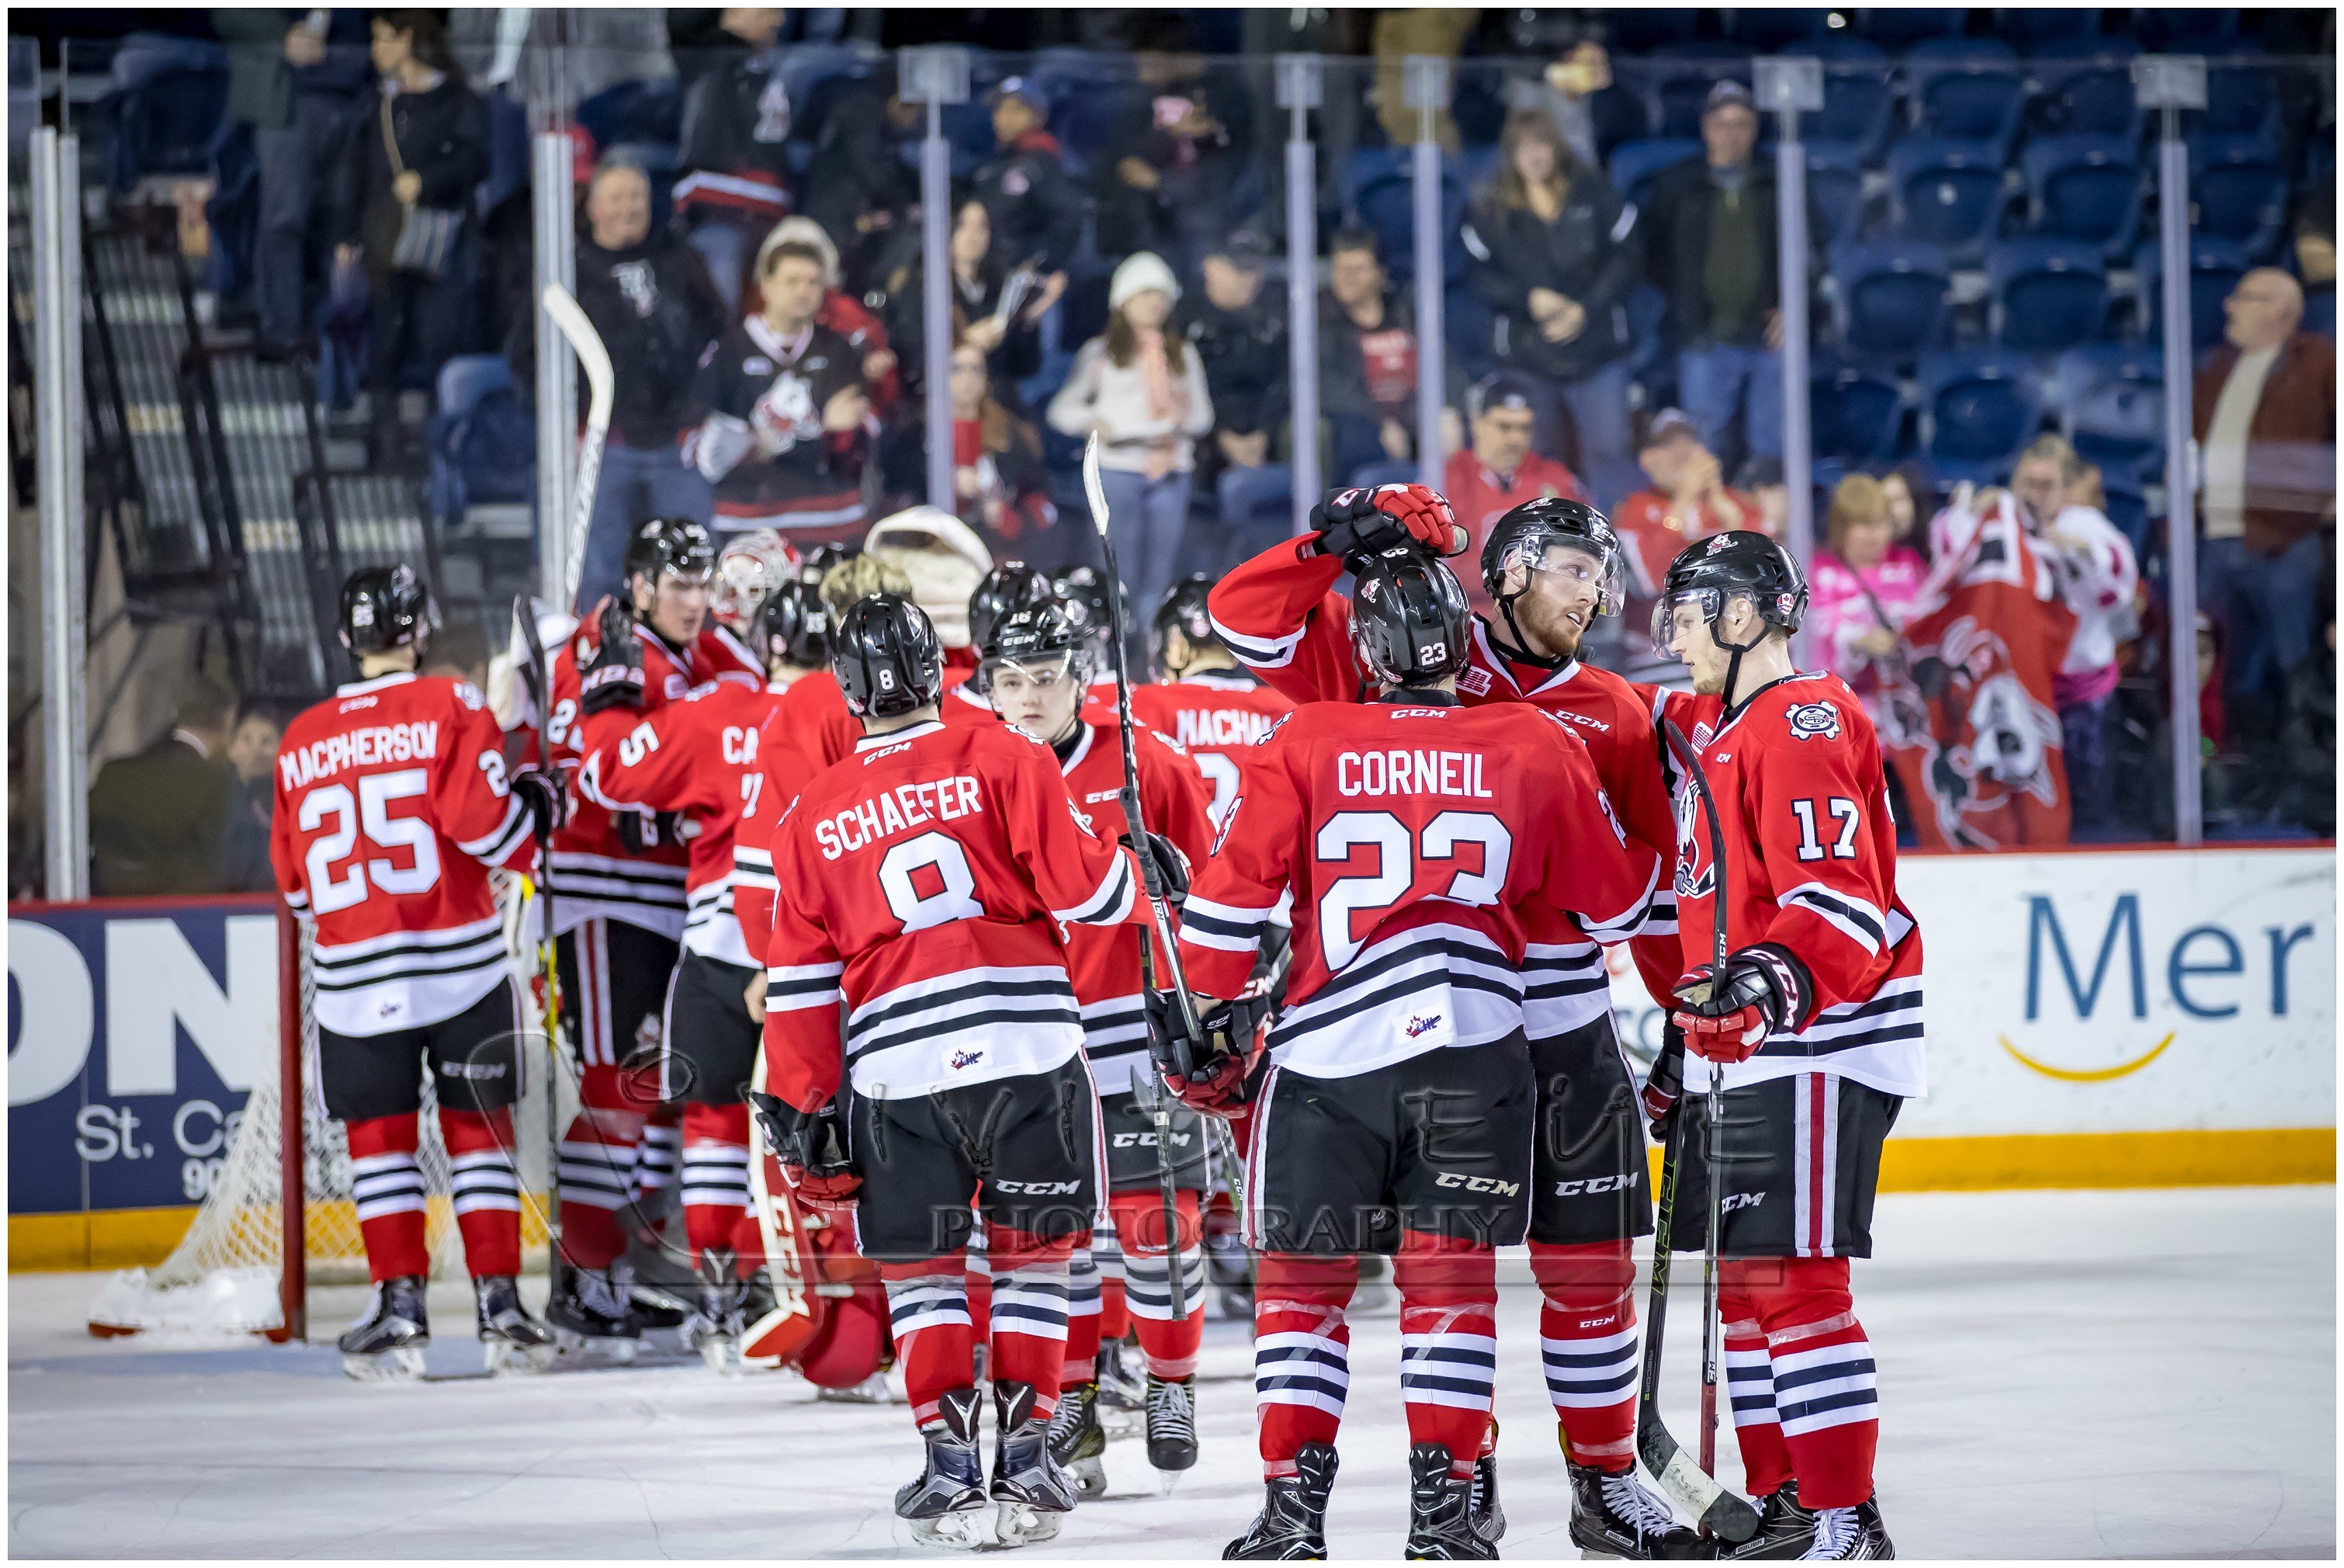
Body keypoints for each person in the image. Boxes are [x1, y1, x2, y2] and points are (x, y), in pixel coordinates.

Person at [1205, 487, 1701, 1558]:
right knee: (1450, 1266)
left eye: (1604, 571)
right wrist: (1338, 538)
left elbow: (1651, 906)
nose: (1599, 589)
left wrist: (1684, 1016)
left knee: (1586, 1265)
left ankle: (1603, 1483)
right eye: (1575, 566)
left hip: (1560, 1022)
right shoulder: (1403, 633)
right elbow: (1245, 617)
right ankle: (1459, 1485)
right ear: (1511, 569)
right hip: (1443, 1028)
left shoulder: (1612, 709)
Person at [752, 594, 1175, 1550]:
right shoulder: (1006, 755)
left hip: (897, 1070)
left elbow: (800, 989)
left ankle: (947, 1463)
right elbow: (1090, 892)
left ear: (850, 687)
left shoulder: (809, 814)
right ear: (938, 672)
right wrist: (1139, 867)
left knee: (927, 1277)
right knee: (1032, 1263)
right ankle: (1025, 1454)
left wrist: (802, 1109)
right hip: (1028, 1049)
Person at [1645, 532, 1922, 1560]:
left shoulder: (1800, 717)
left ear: (1748, 611)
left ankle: (1848, 1516)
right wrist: (1694, 1048)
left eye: (1690, 606)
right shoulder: (1722, 731)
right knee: (1752, 1286)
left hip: (1818, 1034)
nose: (1671, 628)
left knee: (1798, 1285)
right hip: (1752, 1043)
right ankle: (1790, 1502)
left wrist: (1769, 984)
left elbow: (1842, 901)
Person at [269, 566, 558, 1379]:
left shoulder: (300, 738)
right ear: (420, 629)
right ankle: (500, 1307)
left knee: (380, 1147)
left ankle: (399, 1312)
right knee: (478, 1138)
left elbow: (296, 889)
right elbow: (486, 829)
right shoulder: (451, 704)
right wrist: (534, 810)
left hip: (355, 980)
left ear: (343, 639)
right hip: (461, 966)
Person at [972, 603, 1215, 1493]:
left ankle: (1171, 1381)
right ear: (985, 687)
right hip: (1034, 1033)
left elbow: (1223, 880)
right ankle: (1069, 1400)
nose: (1029, 696)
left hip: (1136, 1025)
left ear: (1080, 676)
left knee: (1159, 1227)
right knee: (1054, 1239)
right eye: (1011, 680)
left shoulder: (1142, 763)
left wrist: (1177, 890)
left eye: (1046, 676)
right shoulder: (977, 771)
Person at [571, 585, 834, 1368]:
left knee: (715, 1128)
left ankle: (719, 1293)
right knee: (819, 1125)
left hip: (719, 943)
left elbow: (607, 776)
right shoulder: (855, 719)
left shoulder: (720, 711)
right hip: (818, 953)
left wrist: (613, 693)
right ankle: (819, 1289)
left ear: (767, 644)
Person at [538, 519, 762, 1351]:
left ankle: (628, 1269)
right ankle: (587, 1278)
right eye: (678, 583)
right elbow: (581, 763)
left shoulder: (700, 653)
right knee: (616, 1081)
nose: (695, 600)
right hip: (608, 895)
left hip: (679, 896)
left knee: (670, 1087)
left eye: (701, 583)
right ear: (638, 584)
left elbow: (756, 698)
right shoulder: (600, 651)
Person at [565, 160, 727, 612]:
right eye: (616, 198)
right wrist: (572, 421)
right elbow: (533, 356)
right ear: (593, 207)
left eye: (636, 197)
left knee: (691, 566)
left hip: (676, 444)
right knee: (599, 570)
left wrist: (700, 409)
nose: (628, 208)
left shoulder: (678, 257)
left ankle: (688, 663)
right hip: (605, 446)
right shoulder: (570, 267)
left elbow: (719, 336)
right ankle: (599, 662)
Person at [1462, 110, 1642, 507]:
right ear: (1511, 154)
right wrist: (1530, 299)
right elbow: (1479, 276)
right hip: (1528, 355)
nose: (1535, 156)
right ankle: (1543, 550)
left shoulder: (1594, 193)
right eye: (1524, 148)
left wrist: (1584, 309)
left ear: (1557, 149)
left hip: (1596, 351)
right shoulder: (1491, 209)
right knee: (1538, 461)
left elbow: (1628, 259)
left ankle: (1617, 552)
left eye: (1542, 145)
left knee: (1609, 453)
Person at [333, 11, 488, 468]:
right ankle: (385, 446)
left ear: (409, 39)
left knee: (440, 343)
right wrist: (345, 235)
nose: (377, 50)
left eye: (385, 39)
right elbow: (354, 174)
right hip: (385, 240)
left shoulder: (456, 100)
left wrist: (427, 180)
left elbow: (476, 160)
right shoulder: (377, 104)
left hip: (443, 241)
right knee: (386, 344)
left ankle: (442, 454)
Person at [2191, 266, 2338, 727]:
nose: (2228, 306)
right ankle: (2211, 749)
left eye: (2243, 297)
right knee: (2204, 654)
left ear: (2279, 310)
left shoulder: (2318, 363)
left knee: (2292, 650)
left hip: (2284, 537)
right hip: (2212, 533)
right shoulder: (2214, 368)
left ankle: (2304, 747)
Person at [1644, 82, 1814, 471]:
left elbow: (1810, 250)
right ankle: (1710, 527)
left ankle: (1767, 524)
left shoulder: (1780, 182)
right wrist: (1683, 305)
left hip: (1768, 335)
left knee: (1771, 448)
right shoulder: (1678, 185)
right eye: (1723, 124)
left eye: (1741, 125)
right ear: (1707, 127)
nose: (1731, 134)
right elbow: (1652, 254)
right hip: (1703, 336)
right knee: (1705, 450)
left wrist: (1792, 304)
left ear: (1754, 130)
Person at [1046, 252, 1214, 626]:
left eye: (1160, 296)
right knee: (1117, 564)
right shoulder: (1102, 354)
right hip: (1118, 468)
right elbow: (1062, 410)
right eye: (1145, 294)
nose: (1154, 304)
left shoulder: (1182, 355)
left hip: (1171, 468)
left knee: (1161, 566)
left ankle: (1152, 639)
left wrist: (1180, 421)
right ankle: (1116, 635)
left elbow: (1203, 415)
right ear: (1123, 300)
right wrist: (1095, 421)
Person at [685, 238, 876, 545]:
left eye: (813, 282)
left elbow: (856, 434)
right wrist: (818, 428)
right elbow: (701, 447)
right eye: (792, 281)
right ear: (766, 286)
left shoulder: (840, 350)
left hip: (832, 519)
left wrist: (763, 440)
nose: (803, 290)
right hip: (749, 523)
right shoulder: (728, 353)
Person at [213, 7, 369, 356]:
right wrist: (282, 39)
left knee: (346, 223)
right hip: (285, 100)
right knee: (284, 220)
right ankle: (283, 330)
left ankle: (343, 337)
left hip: (353, 91)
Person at [2010, 435, 2139, 834]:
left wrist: (2079, 555)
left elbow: (2117, 591)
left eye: (2046, 485)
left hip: (2085, 697)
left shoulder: (2087, 528)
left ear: (2065, 489)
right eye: (2029, 483)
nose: (2036, 494)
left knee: (2090, 806)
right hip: (2026, 692)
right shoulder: (2007, 528)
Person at [1132, 575, 1295, 830]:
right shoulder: (1287, 709)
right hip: (1264, 865)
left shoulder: (1143, 703)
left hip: (1186, 864)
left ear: (1175, 642)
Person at [672, 7, 792, 314]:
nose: (778, 18)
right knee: (723, 311)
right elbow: (680, 22)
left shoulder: (772, 65)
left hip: (769, 215)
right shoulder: (708, 56)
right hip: (719, 214)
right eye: (770, 8)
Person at [1319, 229, 1462, 482]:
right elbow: (1326, 385)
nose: (1346, 278)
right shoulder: (1322, 318)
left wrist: (1447, 408)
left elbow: (1444, 363)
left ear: (1379, 273)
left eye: (1358, 269)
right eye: (1340, 269)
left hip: (1415, 422)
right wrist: (1381, 422)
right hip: (1363, 425)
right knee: (1355, 439)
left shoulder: (1406, 312)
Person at [1442, 373, 1590, 613]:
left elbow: (1580, 555)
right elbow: (1446, 563)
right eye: (1504, 426)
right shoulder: (1450, 478)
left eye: (1524, 428)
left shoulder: (1555, 479)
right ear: (1478, 424)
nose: (1515, 439)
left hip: (1540, 617)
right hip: (1468, 615)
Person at [89, 676, 237, 897]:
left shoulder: (113, 773)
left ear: (175, 713)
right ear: (228, 719)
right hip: (192, 912)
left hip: (108, 908)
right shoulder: (217, 780)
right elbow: (228, 866)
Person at [1807, 474, 1928, 731]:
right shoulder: (1818, 571)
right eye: (1864, 525)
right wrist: (1859, 642)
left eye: (1881, 524)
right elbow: (1813, 638)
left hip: (1907, 717)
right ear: (1841, 528)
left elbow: (1930, 614)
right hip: (1848, 718)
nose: (1875, 535)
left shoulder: (1908, 563)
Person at [1613, 409, 1758, 619]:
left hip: (1732, 631)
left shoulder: (1729, 502)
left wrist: (1731, 519)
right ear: (1646, 459)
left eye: (1690, 442)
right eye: (1669, 445)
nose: (1683, 452)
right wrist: (1684, 500)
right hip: (1661, 641)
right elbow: (1651, 581)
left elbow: (1763, 571)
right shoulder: (1634, 510)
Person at [751, 217, 901, 419]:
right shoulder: (749, 331)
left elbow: (885, 395)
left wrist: (872, 372)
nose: (801, 290)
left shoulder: (849, 317)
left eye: (810, 277)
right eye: (791, 278)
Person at [1180, 229, 1288, 490]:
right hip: (1203, 439)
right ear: (1210, 266)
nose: (1249, 279)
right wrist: (1220, 435)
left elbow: (1285, 382)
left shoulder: (1273, 319)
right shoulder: (1182, 319)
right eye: (1239, 269)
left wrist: (1264, 432)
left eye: (1255, 269)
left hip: (1263, 438)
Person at [971, 78, 1081, 317]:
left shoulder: (1041, 161)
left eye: (1016, 109)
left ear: (1037, 116)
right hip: (990, 279)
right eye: (999, 109)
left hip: (1028, 286)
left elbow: (1069, 214)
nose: (1004, 117)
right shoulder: (993, 163)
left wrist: (1043, 264)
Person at [216, 703, 285, 893]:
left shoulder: (287, 800)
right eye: (247, 740)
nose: (256, 750)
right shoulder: (212, 796)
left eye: (266, 741)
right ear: (231, 748)